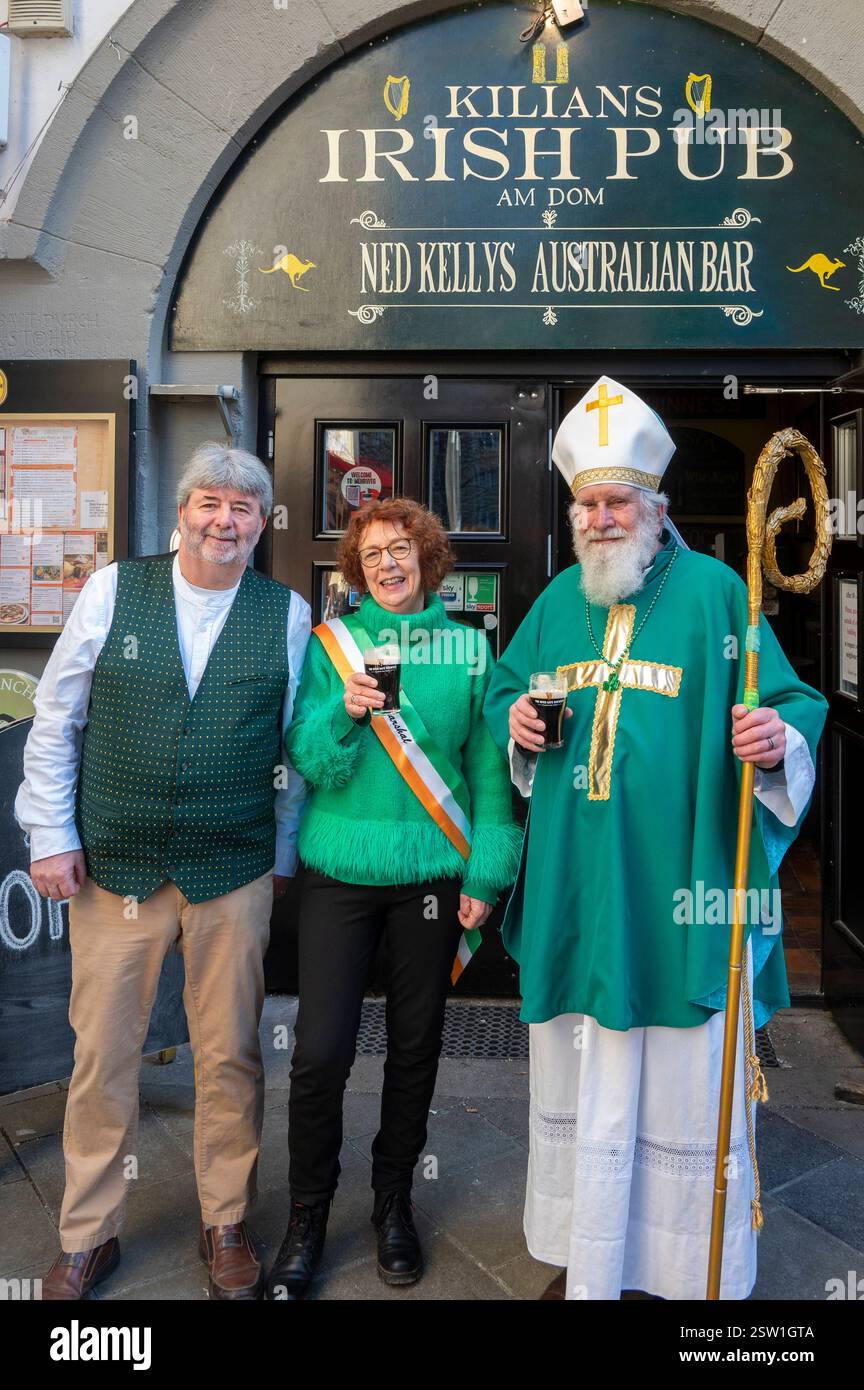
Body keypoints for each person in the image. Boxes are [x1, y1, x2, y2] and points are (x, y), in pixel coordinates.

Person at [482, 376, 828, 1301]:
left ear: (655, 507)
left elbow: (794, 702)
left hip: (683, 885)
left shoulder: (719, 595)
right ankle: (588, 1254)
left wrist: (774, 742)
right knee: (580, 1071)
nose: (599, 517)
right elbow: (502, 695)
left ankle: (680, 1268)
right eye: (586, 502)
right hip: (578, 883)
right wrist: (515, 717)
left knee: (678, 1085)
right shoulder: (559, 599)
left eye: (617, 501)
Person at [15, 442, 310, 1300]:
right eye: (210, 503)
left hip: (234, 867)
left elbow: (292, 746)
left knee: (231, 1055)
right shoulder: (114, 590)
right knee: (102, 1054)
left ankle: (225, 1222)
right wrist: (49, 836)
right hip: (117, 866)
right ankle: (87, 1233)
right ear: (182, 511)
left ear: (261, 524)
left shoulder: (283, 612)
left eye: (243, 509)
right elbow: (56, 718)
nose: (225, 520)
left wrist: (282, 855)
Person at [267, 498, 522, 1299]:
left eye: (400, 548)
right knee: (319, 1054)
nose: (386, 562)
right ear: (356, 567)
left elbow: (486, 771)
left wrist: (485, 875)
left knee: (415, 1047)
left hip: (430, 878)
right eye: (371, 552)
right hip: (341, 872)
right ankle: (308, 1211)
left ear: (428, 557)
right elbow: (306, 754)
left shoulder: (469, 649)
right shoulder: (331, 647)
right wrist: (343, 714)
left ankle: (391, 1202)